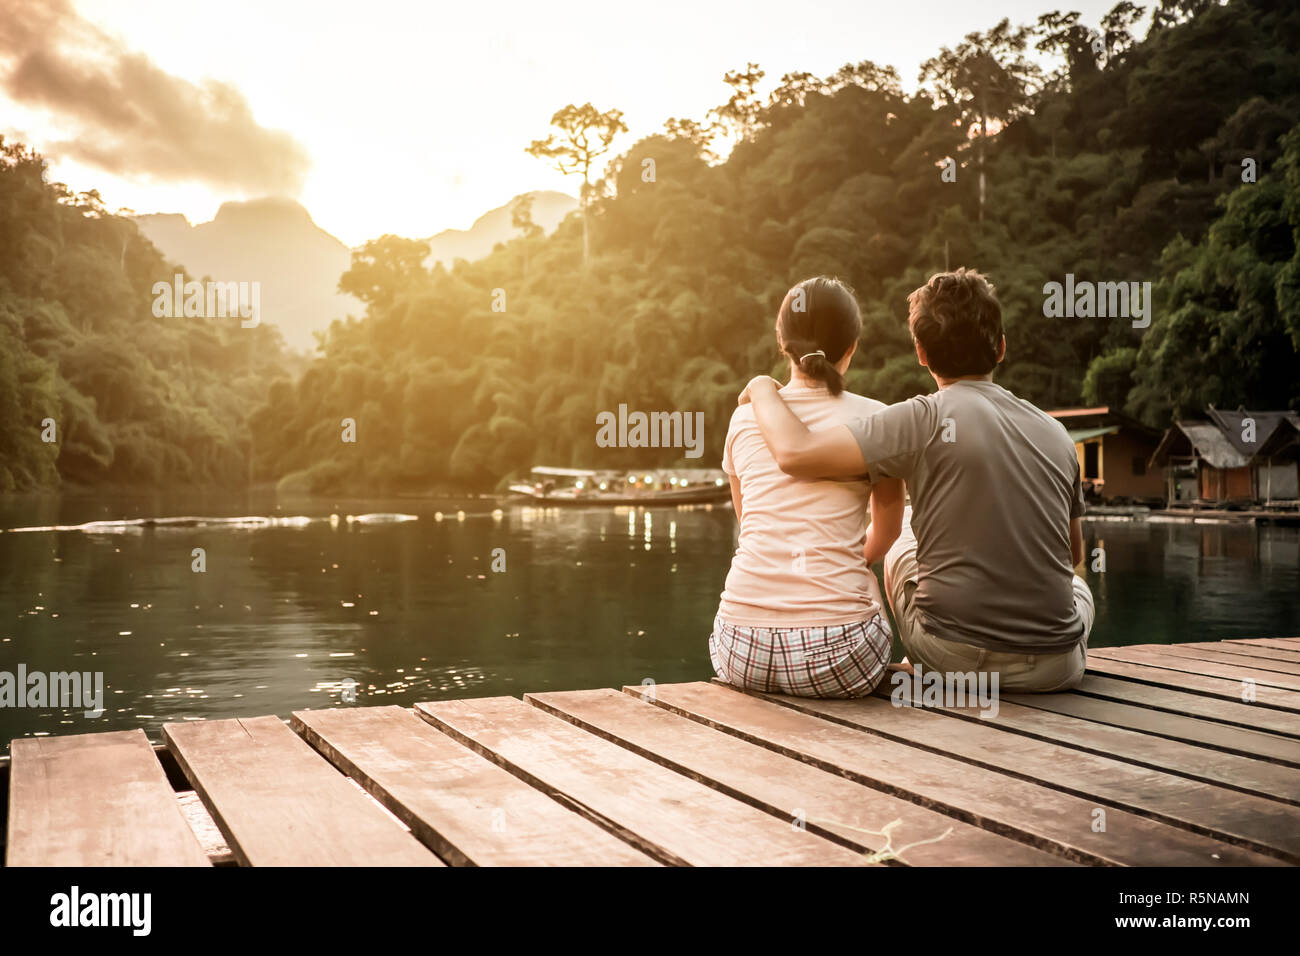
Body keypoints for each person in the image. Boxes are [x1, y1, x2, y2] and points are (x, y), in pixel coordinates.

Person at [739, 268, 1094, 692]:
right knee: (1077, 587)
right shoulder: (1056, 433)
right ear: (1001, 348)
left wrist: (762, 388)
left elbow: (796, 453)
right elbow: (1072, 551)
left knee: (903, 532)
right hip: (1056, 668)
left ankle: (919, 656)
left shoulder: (919, 418)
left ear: (921, 353)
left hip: (951, 660)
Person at [712, 276, 904, 698]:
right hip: (840, 655)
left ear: (783, 342)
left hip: (739, 648)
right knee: (898, 538)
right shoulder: (881, 421)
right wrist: (851, 560)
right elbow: (888, 532)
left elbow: (751, 524)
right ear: (852, 345)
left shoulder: (744, 419)